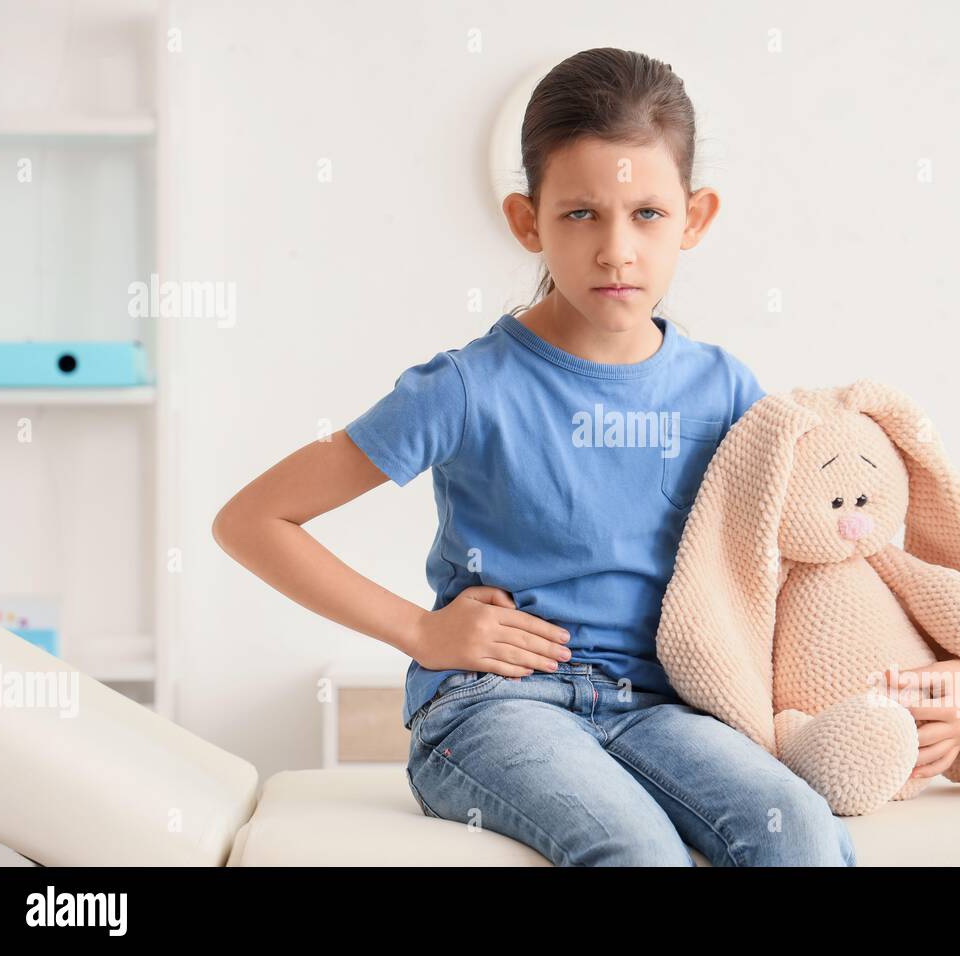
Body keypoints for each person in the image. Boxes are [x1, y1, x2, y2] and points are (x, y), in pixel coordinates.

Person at [213, 47, 856, 866]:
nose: (616, 250)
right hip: (493, 709)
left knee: (798, 833)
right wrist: (421, 630)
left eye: (647, 214)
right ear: (528, 221)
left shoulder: (725, 389)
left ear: (695, 218)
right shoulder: (467, 387)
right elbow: (251, 520)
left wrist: (926, 685)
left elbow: (803, 561)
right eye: (581, 214)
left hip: (660, 710)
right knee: (636, 852)